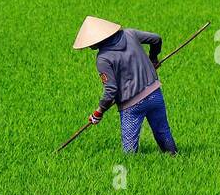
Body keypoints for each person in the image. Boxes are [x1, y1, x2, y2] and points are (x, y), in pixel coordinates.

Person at [72, 16, 178, 154]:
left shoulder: (103, 59)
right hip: (154, 94)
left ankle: (132, 169)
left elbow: (111, 90)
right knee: (163, 130)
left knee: (129, 151)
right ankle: (173, 156)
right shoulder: (130, 34)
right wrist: (153, 58)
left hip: (132, 105)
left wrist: (99, 112)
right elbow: (156, 39)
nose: (89, 46)